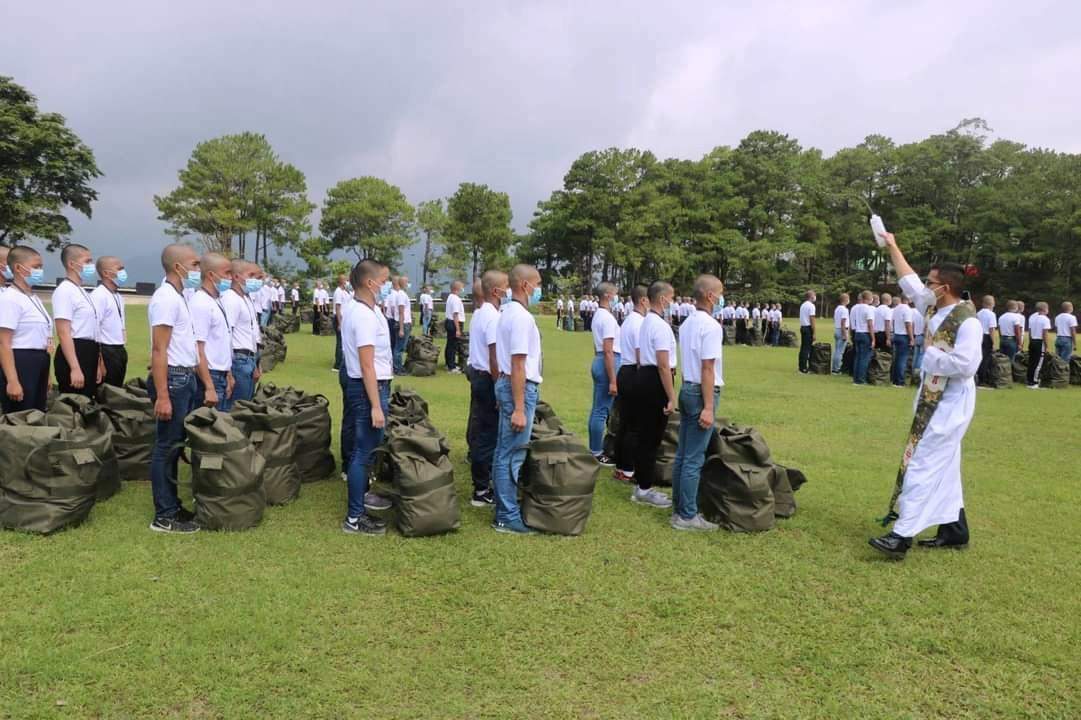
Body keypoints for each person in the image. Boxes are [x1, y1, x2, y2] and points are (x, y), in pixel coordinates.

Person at [869, 231, 980, 560]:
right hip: (932, 396)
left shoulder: (967, 322)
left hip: (951, 402)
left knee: (922, 463)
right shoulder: (933, 306)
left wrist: (930, 356)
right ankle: (954, 530)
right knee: (945, 465)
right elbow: (908, 280)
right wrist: (891, 245)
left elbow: (967, 365)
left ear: (946, 288)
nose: (926, 286)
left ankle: (901, 535)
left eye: (931, 282)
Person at [147, 244, 202, 534]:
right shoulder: (166, 298)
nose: (198, 270)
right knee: (166, 447)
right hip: (173, 379)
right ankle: (164, 515)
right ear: (177, 266)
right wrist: (164, 395)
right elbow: (159, 349)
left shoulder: (180, 297)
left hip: (185, 376)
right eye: (194, 264)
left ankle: (173, 504)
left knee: (175, 445)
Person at [340, 259, 394, 535]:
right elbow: (367, 364)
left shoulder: (368, 310)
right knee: (362, 453)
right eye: (383, 281)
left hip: (373, 385)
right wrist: (375, 405)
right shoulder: (360, 314)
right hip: (367, 388)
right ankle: (354, 518)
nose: (385, 286)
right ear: (369, 283)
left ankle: (360, 504)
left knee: (367, 451)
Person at [490, 264, 544, 534]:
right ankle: (507, 516)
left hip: (507, 384)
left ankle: (503, 509)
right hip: (517, 387)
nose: (539, 290)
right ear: (525, 285)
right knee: (511, 454)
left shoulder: (507, 312)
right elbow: (519, 363)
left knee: (504, 451)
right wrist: (520, 407)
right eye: (537, 284)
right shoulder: (521, 317)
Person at [669, 274, 725, 532]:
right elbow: (707, 368)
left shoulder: (689, 322)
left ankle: (679, 508)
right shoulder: (712, 326)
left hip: (687, 388)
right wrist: (709, 407)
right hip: (702, 391)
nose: (722, 298)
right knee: (693, 457)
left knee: (682, 455)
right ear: (711, 296)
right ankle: (687, 515)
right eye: (720, 293)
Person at [630, 281, 677, 510]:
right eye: (671, 298)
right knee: (651, 437)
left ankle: (640, 483)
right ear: (662, 299)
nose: (673, 302)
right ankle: (644, 489)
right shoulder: (659, 325)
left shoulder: (647, 322)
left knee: (644, 436)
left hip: (644, 377)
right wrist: (671, 395)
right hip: (654, 381)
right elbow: (663, 365)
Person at [465, 271, 507, 508]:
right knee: (487, 434)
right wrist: (499, 387)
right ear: (495, 291)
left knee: (480, 428)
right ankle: (481, 489)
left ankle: (482, 481)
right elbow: (494, 357)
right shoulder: (491, 317)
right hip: (488, 379)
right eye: (505, 286)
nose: (507, 289)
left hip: (479, 376)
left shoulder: (481, 313)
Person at [0, 246, 52, 413]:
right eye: (36, 267)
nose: (40, 271)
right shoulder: (10, 299)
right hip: (21, 360)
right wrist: (13, 380)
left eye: (41, 267)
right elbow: (3, 342)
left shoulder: (33, 297)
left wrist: (46, 372)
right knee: (20, 415)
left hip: (39, 359)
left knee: (37, 414)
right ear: (18, 268)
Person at [52, 243, 104, 399]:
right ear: (72, 264)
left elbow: (93, 329)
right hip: (75, 351)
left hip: (90, 350)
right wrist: (75, 368)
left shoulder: (82, 291)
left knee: (89, 403)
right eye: (87, 261)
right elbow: (63, 332)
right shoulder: (65, 291)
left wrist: (97, 361)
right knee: (74, 404)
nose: (91, 265)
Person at [613, 285, 648, 484]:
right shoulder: (639, 323)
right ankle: (628, 469)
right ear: (643, 300)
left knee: (625, 424)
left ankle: (621, 466)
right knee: (634, 426)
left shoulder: (628, 321)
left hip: (624, 372)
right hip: (634, 372)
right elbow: (640, 355)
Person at [587, 282, 621, 466]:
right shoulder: (606, 318)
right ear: (608, 295)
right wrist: (613, 379)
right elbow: (608, 350)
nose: (617, 297)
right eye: (615, 293)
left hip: (600, 359)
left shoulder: (598, 316)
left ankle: (595, 448)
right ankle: (596, 451)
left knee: (598, 409)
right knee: (601, 410)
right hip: (608, 360)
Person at [221, 259, 261, 409]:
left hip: (248, 359)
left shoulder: (245, 298)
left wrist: (256, 363)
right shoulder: (231, 299)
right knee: (236, 408)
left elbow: (252, 333)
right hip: (238, 359)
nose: (255, 281)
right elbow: (227, 334)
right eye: (251, 275)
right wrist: (228, 371)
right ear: (236, 277)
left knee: (245, 406)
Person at [90, 255, 128, 387]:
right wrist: (99, 360)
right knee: (106, 392)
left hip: (119, 349)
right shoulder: (99, 295)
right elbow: (94, 329)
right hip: (106, 351)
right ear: (106, 273)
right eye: (119, 269)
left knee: (117, 392)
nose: (123, 272)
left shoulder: (117, 296)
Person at [852, 290, 876, 385]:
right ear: (869, 298)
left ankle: (856, 378)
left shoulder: (857, 308)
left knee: (858, 357)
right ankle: (861, 379)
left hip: (858, 333)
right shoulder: (869, 309)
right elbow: (870, 325)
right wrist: (873, 338)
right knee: (864, 358)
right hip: (865, 334)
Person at [891, 297, 914, 387]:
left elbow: (893, 321)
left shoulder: (896, 308)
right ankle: (900, 381)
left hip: (896, 334)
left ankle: (895, 380)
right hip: (904, 335)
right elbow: (908, 325)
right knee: (902, 360)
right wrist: (912, 338)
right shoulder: (907, 309)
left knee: (896, 359)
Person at [1027, 302, 1051, 388]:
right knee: (1038, 362)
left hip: (1032, 340)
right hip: (1039, 341)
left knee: (1031, 361)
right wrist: (1047, 346)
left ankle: (1029, 379)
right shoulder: (1045, 319)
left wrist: (1030, 341)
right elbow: (1045, 333)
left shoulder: (1032, 318)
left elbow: (1029, 331)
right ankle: (1035, 381)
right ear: (1045, 309)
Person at [976, 296, 998, 386]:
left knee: (979, 357)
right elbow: (991, 329)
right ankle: (982, 379)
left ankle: (977, 376)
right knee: (986, 359)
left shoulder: (978, 313)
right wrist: (994, 342)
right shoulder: (991, 314)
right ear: (992, 304)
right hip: (987, 337)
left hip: (978, 336)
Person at [393, 275, 412, 375]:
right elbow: (401, 312)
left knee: (401, 347)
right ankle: (397, 368)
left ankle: (399, 366)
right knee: (399, 348)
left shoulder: (403, 294)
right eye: (407, 282)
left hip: (405, 323)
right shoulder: (401, 295)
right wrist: (401, 328)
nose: (408, 284)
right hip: (402, 324)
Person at [444, 281, 465, 373]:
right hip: (454, 322)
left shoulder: (450, 297)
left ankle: (448, 363)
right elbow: (455, 314)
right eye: (461, 287)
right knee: (453, 345)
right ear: (457, 288)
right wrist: (458, 329)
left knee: (449, 344)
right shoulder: (456, 299)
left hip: (449, 321)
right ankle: (451, 367)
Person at [332, 275, 351, 372]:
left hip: (345, 319)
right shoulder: (338, 292)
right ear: (341, 281)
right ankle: (337, 365)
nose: (347, 282)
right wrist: (340, 323)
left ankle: (343, 361)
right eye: (345, 280)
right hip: (339, 318)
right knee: (340, 342)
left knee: (344, 342)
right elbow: (338, 308)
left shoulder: (345, 292)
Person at [797, 290, 816, 373]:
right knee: (806, 348)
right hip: (808, 328)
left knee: (803, 348)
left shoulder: (803, 305)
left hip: (803, 327)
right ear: (811, 296)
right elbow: (812, 319)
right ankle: (804, 368)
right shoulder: (811, 306)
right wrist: (814, 332)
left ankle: (801, 366)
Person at [832, 293, 850, 374]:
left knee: (837, 350)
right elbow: (843, 322)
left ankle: (834, 367)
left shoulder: (837, 308)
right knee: (840, 351)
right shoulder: (844, 310)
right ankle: (837, 369)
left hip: (837, 329)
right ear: (845, 300)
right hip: (842, 330)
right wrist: (845, 334)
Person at [911, 298, 926, 374]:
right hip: (923, 336)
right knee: (922, 355)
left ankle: (913, 372)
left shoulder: (915, 312)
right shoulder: (925, 312)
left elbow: (912, 324)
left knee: (915, 355)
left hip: (916, 335)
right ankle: (917, 372)